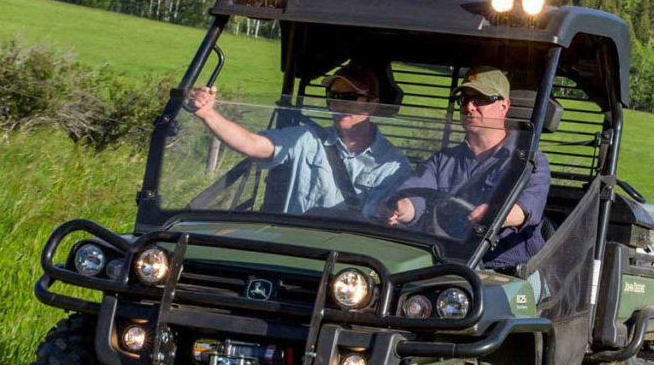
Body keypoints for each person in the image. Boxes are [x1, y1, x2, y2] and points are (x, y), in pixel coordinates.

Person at [189, 62, 410, 217]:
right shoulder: (306, 139)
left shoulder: (393, 164)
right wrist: (208, 113)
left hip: (350, 263)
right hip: (296, 245)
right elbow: (252, 144)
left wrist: (395, 214)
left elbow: (387, 220)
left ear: (373, 104)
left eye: (350, 97)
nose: (339, 105)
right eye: (334, 97)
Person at [385, 66, 550, 269]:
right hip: (449, 261)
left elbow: (525, 209)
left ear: (504, 105)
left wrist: (496, 214)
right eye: (464, 99)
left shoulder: (529, 161)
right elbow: (416, 195)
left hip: (506, 269)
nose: (469, 107)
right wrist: (402, 208)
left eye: (479, 99)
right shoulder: (443, 160)